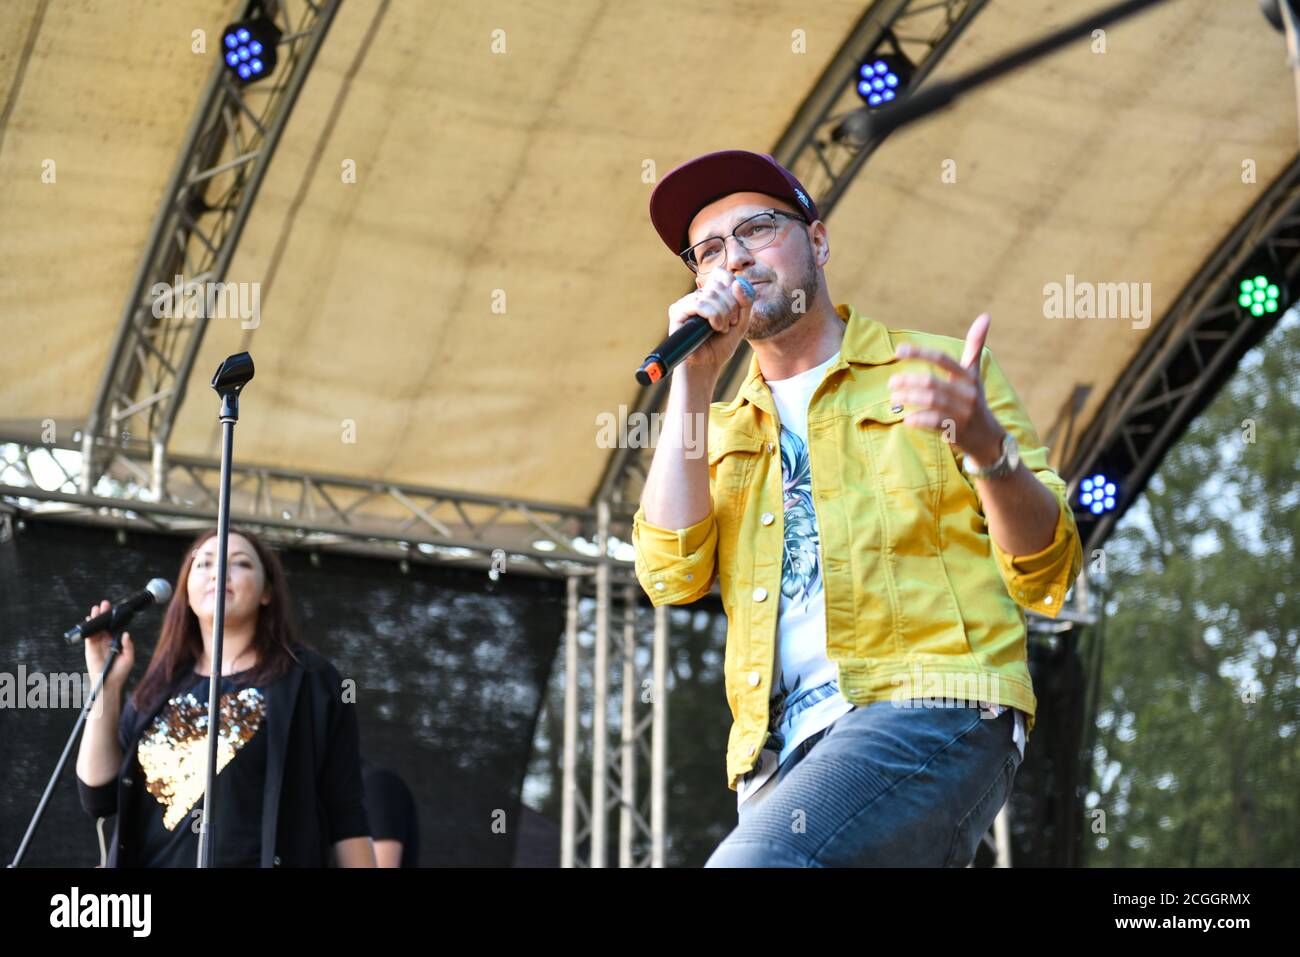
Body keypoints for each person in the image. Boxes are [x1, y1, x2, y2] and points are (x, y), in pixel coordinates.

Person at [632, 150, 1083, 866]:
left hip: (930, 702)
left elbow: (1047, 570)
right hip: (779, 759)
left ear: (817, 240)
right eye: (709, 250)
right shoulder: (718, 429)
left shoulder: (935, 371)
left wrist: (986, 449)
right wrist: (693, 377)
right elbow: (667, 574)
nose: (734, 260)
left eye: (756, 230)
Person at [74, 526, 376, 867]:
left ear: (267, 592)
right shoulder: (160, 687)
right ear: (186, 590)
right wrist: (105, 685)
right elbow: (97, 795)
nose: (218, 572)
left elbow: (345, 810)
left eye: (241, 564)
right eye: (203, 564)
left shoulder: (308, 678)